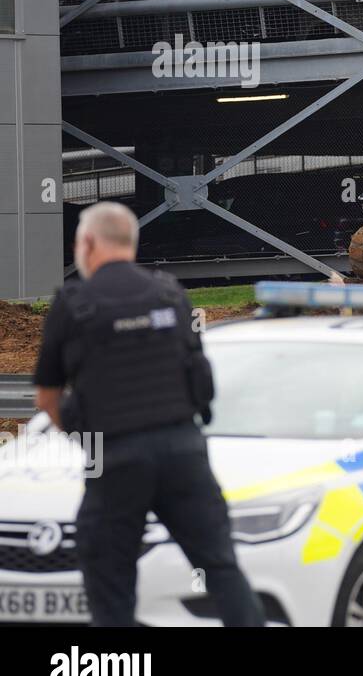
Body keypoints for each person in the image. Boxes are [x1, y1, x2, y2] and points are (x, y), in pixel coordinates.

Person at [33, 202, 264, 627]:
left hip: (116, 456)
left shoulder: (73, 302)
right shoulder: (169, 292)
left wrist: (88, 441)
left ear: (86, 244)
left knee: (111, 579)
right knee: (220, 566)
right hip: (183, 450)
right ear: (130, 243)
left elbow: (46, 399)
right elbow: (200, 378)